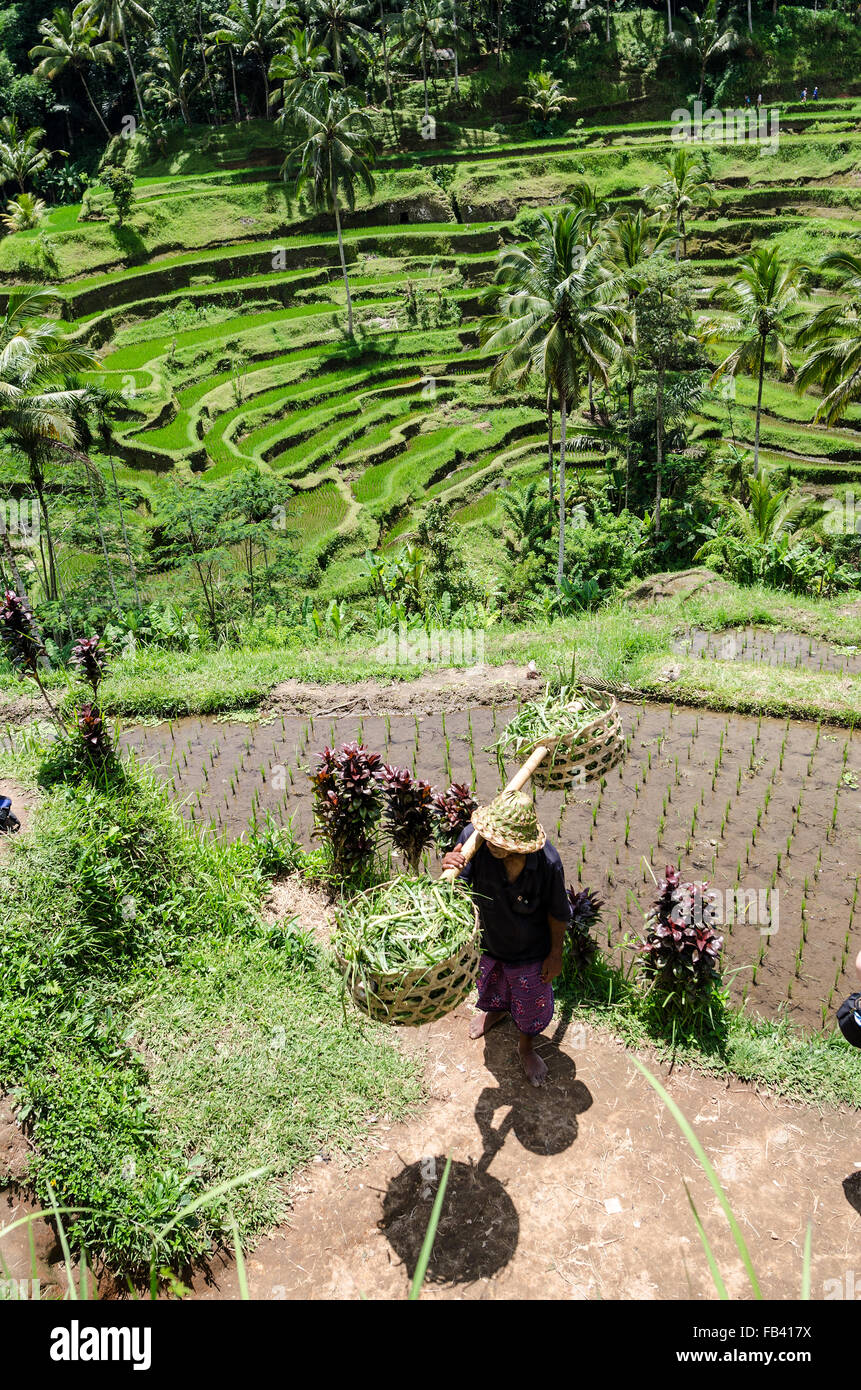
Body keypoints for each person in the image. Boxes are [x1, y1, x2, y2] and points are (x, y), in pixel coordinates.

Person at [442, 789, 571, 1087]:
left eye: (503, 843)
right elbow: (456, 884)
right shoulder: (475, 840)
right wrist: (449, 864)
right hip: (491, 940)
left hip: (531, 951)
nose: (494, 845)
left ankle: (525, 1046)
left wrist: (555, 954)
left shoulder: (548, 863)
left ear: (522, 844)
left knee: (530, 1003)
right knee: (492, 985)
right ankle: (495, 1013)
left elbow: (557, 913)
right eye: (491, 838)